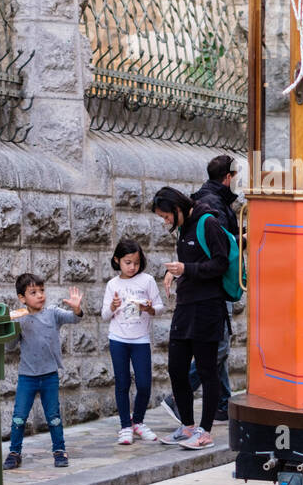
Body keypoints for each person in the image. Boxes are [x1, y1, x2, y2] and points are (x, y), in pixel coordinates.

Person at [150, 186, 227, 450]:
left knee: (207, 370)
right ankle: (187, 426)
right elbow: (192, 263)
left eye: (166, 216)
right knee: (176, 367)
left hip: (208, 307)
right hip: (186, 306)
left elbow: (221, 263)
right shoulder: (184, 228)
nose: (166, 221)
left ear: (177, 207)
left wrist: (187, 269)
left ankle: (205, 431)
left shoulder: (208, 222)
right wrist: (176, 272)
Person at [170, 154, 237, 423]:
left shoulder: (209, 201)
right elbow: (219, 254)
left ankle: (222, 402)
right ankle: (178, 397)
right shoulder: (211, 207)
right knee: (218, 349)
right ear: (228, 177)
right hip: (209, 292)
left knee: (216, 350)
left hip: (204, 291)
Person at [3, 273, 84, 470]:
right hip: (27, 377)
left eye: (42, 291)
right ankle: (14, 452)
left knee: (53, 416)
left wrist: (77, 308)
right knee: (19, 417)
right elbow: (10, 347)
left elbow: (74, 318)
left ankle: (59, 450)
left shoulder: (53, 313)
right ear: (22, 298)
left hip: (49, 376)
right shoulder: (20, 319)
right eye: (33, 292)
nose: (40, 295)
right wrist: (9, 323)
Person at [102, 240, 163, 445]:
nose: (132, 267)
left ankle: (138, 421)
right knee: (122, 383)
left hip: (140, 339)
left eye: (136, 263)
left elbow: (160, 307)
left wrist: (149, 308)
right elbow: (104, 315)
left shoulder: (147, 281)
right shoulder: (113, 284)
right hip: (118, 338)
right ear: (117, 260)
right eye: (128, 262)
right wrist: (112, 306)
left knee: (144, 384)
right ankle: (125, 426)